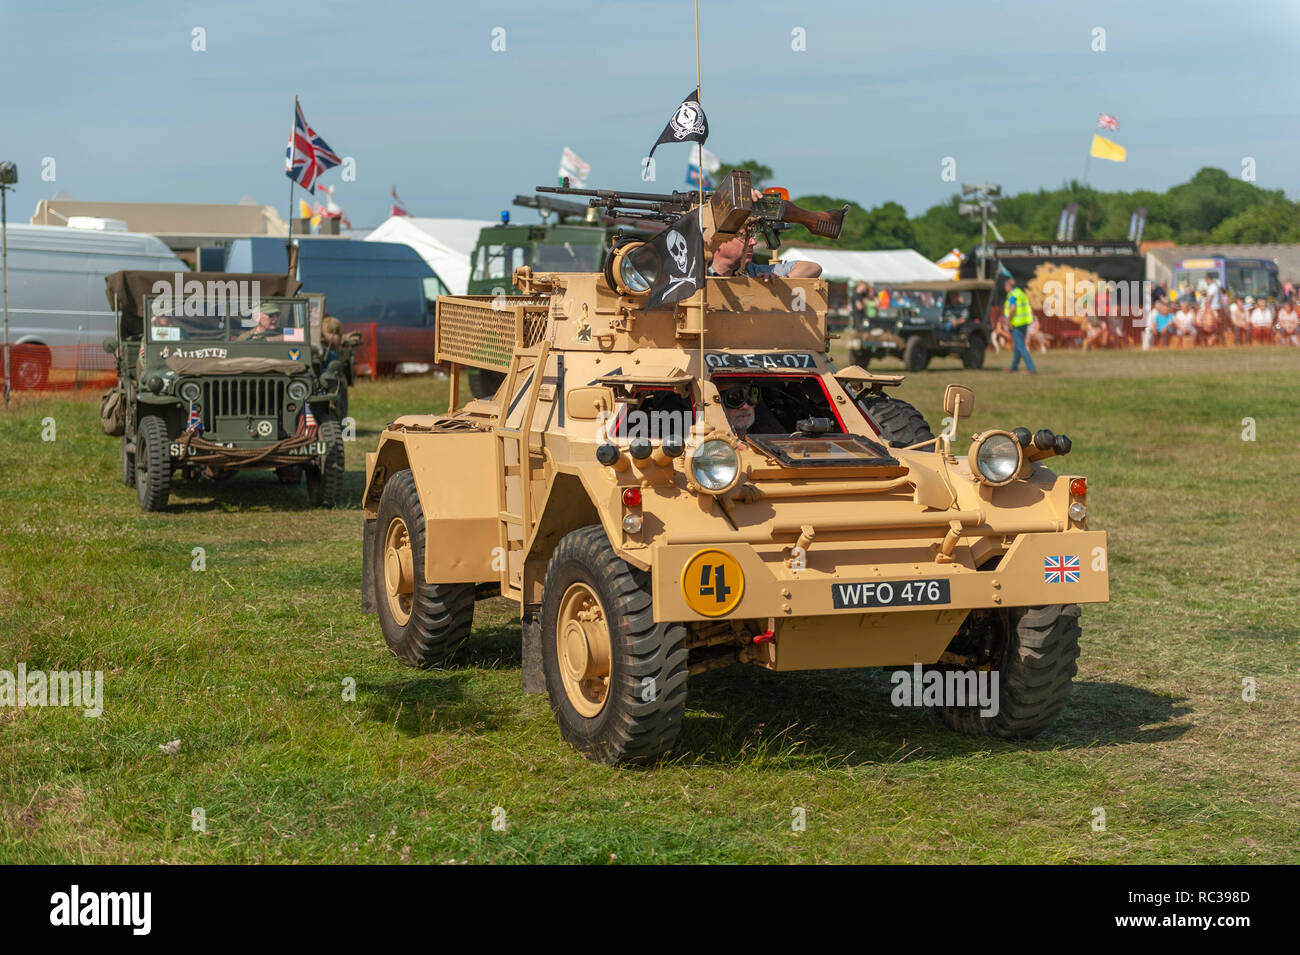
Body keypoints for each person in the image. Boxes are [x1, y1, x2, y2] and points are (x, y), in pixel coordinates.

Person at [1003, 277, 1036, 374]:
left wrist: (1008, 321)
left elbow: (1012, 308)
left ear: (1008, 286)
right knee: (1018, 346)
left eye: (1005, 286)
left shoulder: (1012, 295)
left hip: (1016, 324)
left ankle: (1031, 368)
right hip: (1024, 322)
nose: (1005, 288)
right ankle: (1013, 367)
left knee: (1020, 346)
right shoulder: (1021, 293)